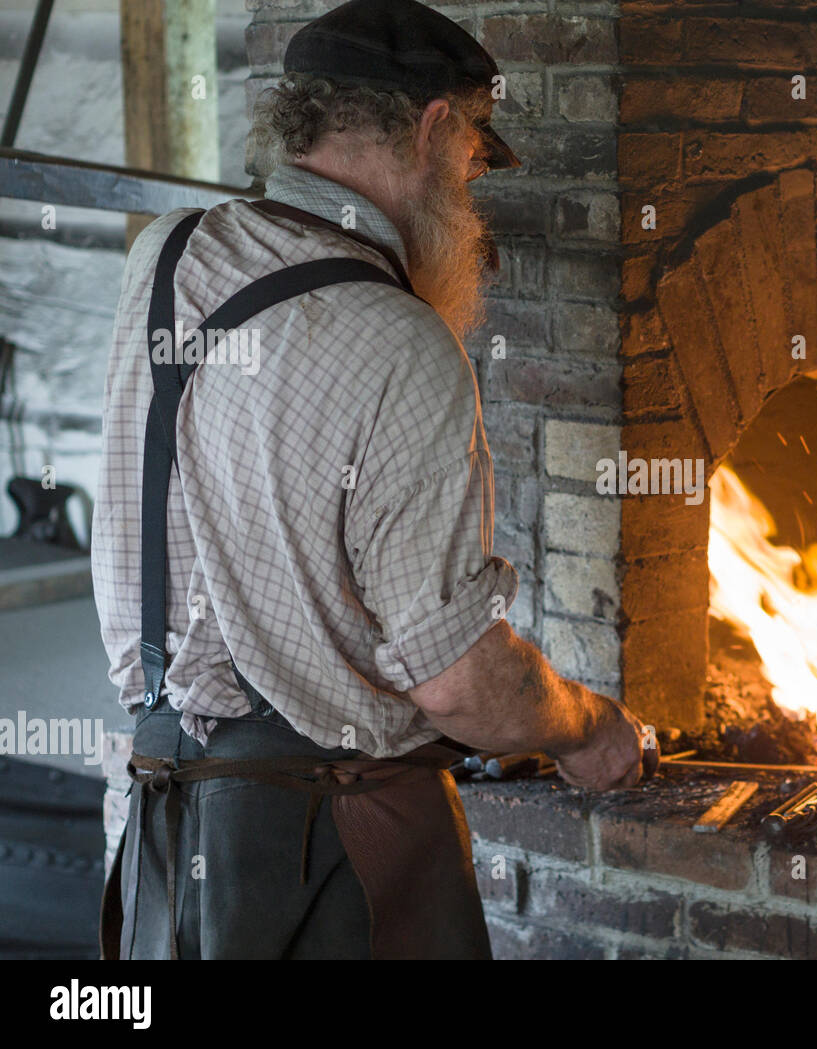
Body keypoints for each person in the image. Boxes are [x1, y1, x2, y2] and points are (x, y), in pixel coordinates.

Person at [91, 0, 648, 960]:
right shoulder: (402, 342)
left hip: (153, 821)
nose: (468, 196)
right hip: (329, 857)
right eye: (473, 158)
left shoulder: (165, 255)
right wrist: (589, 729)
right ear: (433, 129)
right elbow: (458, 683)